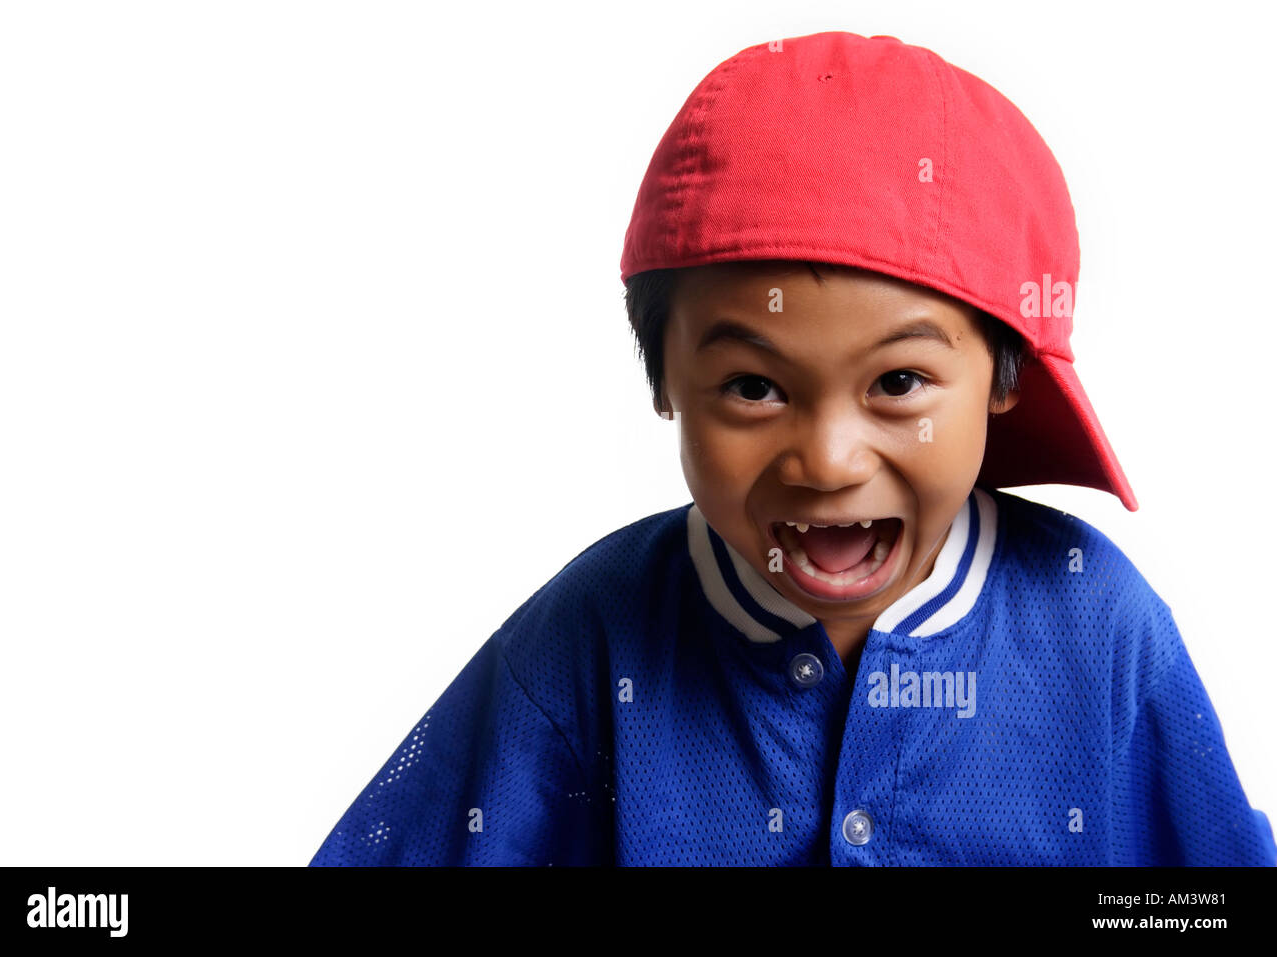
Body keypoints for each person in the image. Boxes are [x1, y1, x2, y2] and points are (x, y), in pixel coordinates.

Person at [308, 31, 1276, 865]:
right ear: (663, 384)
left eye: (897, 384)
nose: (825, 460)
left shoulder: (1095, 622)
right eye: (752, 388)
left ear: (1006, 377)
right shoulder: (589, 636)